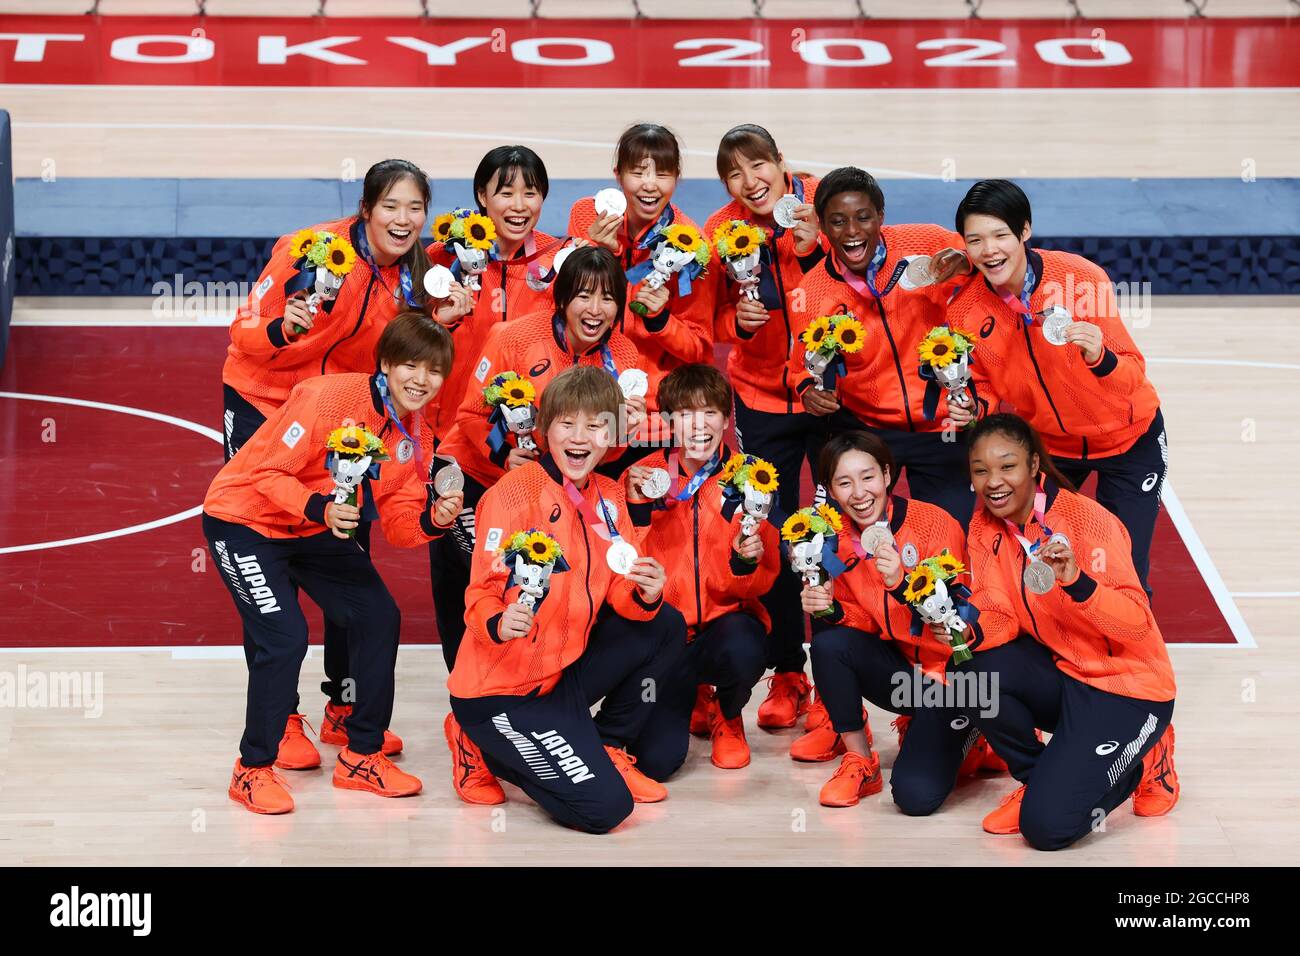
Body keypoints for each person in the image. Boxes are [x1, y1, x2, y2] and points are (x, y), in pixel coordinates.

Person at [220, 159, 472, 765]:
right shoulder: (306, 250)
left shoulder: (417, 274)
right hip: (266, 401)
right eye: (391, 206)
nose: (404, 220)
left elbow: (404, 354)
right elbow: (243, 330)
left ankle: (345, 703)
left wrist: (440, 322)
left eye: (416, 208)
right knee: (269, 538)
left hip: (343, 418)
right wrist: (282, 329)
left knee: (348, 546)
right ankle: (279, 717)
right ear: (366, 208)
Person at [205, 313, 464, 814]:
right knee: (285, 637)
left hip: (313, 530)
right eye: (410, 365)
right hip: (246, 521)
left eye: (433, 371)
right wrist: (319, 508)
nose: (421, 380)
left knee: (379, 616)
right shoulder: (328, 397)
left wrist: (434, 519)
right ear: (386, 363)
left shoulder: (415, 432)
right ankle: (251, 769)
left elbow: (398, 521)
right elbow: (265, 472)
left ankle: (361, 755)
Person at [443, 366, 688, 833]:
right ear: (544, 429)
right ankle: (473, 739)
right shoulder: (511, 496)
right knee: (605, 810)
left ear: (613, 434)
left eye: (596, 425)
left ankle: (607, 745)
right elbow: (480, 591)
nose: (581, 437)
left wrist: (645, 591)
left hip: (561, 678)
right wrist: (499, 621)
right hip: (500, 694)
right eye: (568, 424)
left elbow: (619, 591)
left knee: (665, 623)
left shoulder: (611, 496)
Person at [961, 413, 1179, 850]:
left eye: (1007, 466)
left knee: (1046, 829)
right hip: (1068, 674)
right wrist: (963, 628)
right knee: (971, 671)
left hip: (1128, 688)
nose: (994, 481)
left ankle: (1145, 759)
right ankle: (1036, 776)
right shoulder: (984, 527)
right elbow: (999, 614)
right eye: (981, 470)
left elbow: (1137, 622)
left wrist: (1080, 583)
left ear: (1035, 467)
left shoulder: (1087, 522)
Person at [430, 247, 649, 670]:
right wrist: (504, 455)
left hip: (544, 485)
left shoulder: (623, 358)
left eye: (608, 299)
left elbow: (607, 452)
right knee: (489, 576)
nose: (596, 309)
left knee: (538, 580)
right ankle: (468, 693)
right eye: (584, 296)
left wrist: (624, 432)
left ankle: (527, 687)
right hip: (475, 473)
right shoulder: (513, 337)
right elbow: (470, 414)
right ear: (562, 299)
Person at [946, 179, 1166, 596]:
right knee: (1036, 557)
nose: (989, 250)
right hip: (1053, 450)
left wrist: (1102, 358)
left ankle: (1132, 659)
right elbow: (985, 386)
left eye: (999, 235)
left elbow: (1133, 374)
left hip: (1129, 439)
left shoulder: (1081, 279)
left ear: (1024, 231)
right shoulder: (966, 309)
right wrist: (974, 408)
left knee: (1125, 568)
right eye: (975, 240)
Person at [798, 432, 1006, 810]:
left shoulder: (933, 524)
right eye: (844, 483)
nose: (859, 493)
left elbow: (959, 617)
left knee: (916, 796)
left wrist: (901, 583)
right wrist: (830, 608)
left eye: (868, 477)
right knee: (830, 643)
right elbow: (866, 621)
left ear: (888, 476)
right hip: (904, 679)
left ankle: (977, 732)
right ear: (829, 489)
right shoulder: (835, 539)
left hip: (953, 675)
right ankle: (861, 761)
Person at [703, 124, 828, 732]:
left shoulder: (825, 203)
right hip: (759, 401)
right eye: (734, 173)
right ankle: (788, 673)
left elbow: (863, 283)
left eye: (758, 166)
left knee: (831, 531)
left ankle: (834, 679)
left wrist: (815, 246)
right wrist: (738, 320)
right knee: (771, 532)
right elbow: (706, 315)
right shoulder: (719, 231)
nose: (750, 182)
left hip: (833, 400)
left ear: (782, 163)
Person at [788, 165, 976, 526]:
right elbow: (802, 366)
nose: (853, 231)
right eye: (838, 221)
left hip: (940, 425)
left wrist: (964, 260)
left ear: (881, 217)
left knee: (952, 532)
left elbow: (980, 256)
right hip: (867, 429)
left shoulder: (924, 242)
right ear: (824, 229)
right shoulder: (811, 293)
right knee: (859, 542)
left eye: (863, 217)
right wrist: (807, 391)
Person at [622, 364, 780, 772]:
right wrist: (639, 513)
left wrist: (746, 564)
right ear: (668, 421)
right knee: (657, 762)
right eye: (686, 414)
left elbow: (766, 579)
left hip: (725, 624)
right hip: (662, 632)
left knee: (744, 646)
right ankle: (691, 695)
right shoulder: (642, 479)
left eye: (710, 413)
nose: (699, 425)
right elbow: (623, 569)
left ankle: (728, 712)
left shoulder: (751, 480)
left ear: (727, 420)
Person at [428, 146, 568, 435]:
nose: (519, 205)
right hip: (449, 428)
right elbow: (412, 341)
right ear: (482, 196)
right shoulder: (445, 257)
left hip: (531, 431)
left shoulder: (561, 262)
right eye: (506, 193)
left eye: (530, 193)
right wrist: (440, 321)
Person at [567, 123, 716, 391]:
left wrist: (660, 320)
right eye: (637, 173)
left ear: (677, 177)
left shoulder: (693, 245)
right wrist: (601, 252)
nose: (650, 185)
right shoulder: (587, 216)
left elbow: (699, 350)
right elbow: (564, 303)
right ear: (618, 175)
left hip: (655, 402)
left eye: (662, 174)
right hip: (587, 390)